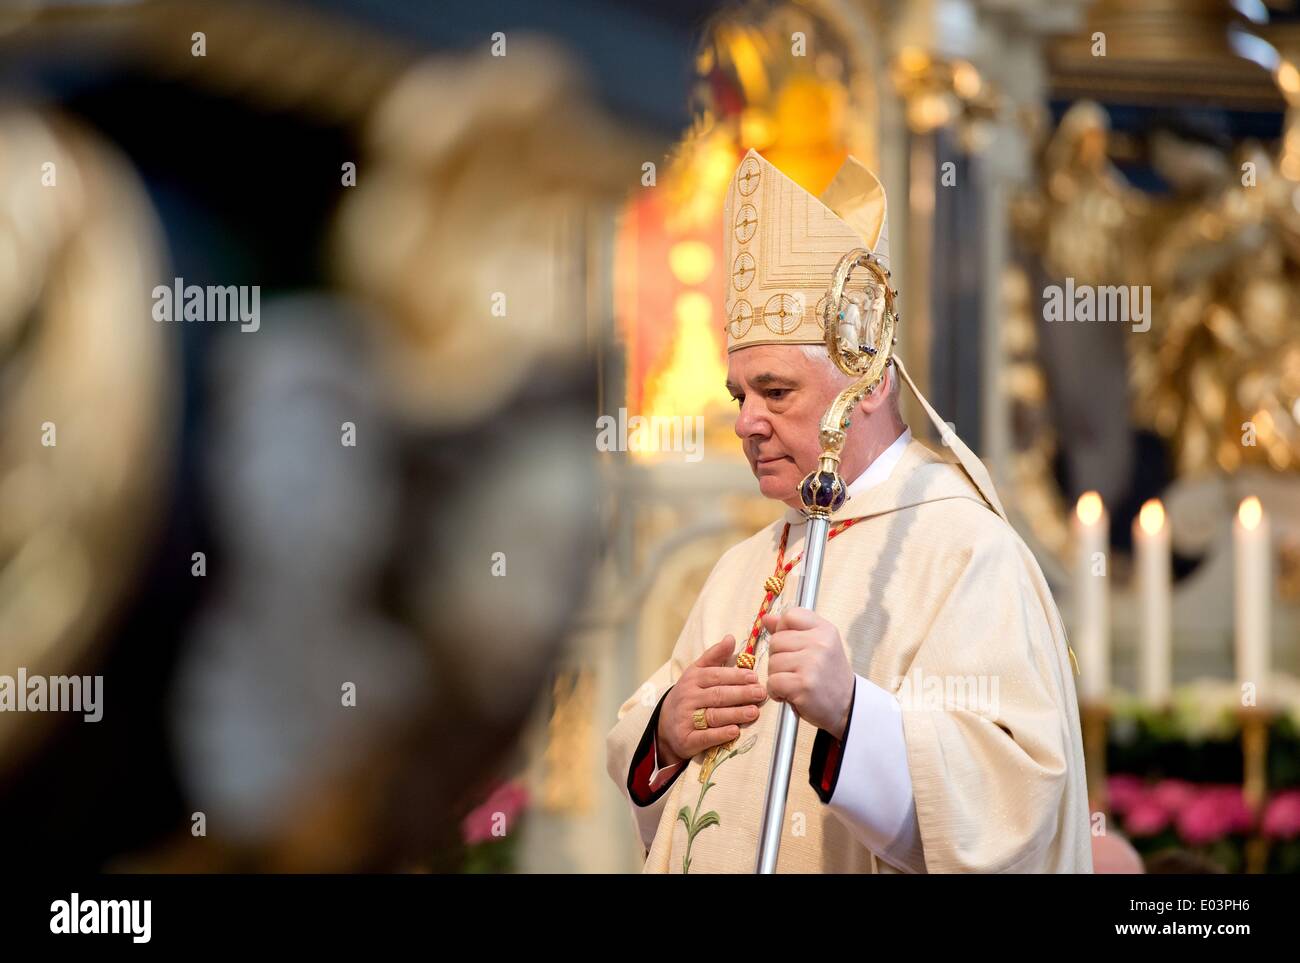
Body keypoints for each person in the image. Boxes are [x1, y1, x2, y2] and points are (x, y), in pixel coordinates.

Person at [605, 148, 1092, 873]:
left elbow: (1013, 800)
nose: (745, 422)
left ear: (866, 384)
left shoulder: (963, 549)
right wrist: (666, 733)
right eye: (741, 395)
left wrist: (851, 712)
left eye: (776, 391)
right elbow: (648, 766)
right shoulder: (745, 565)